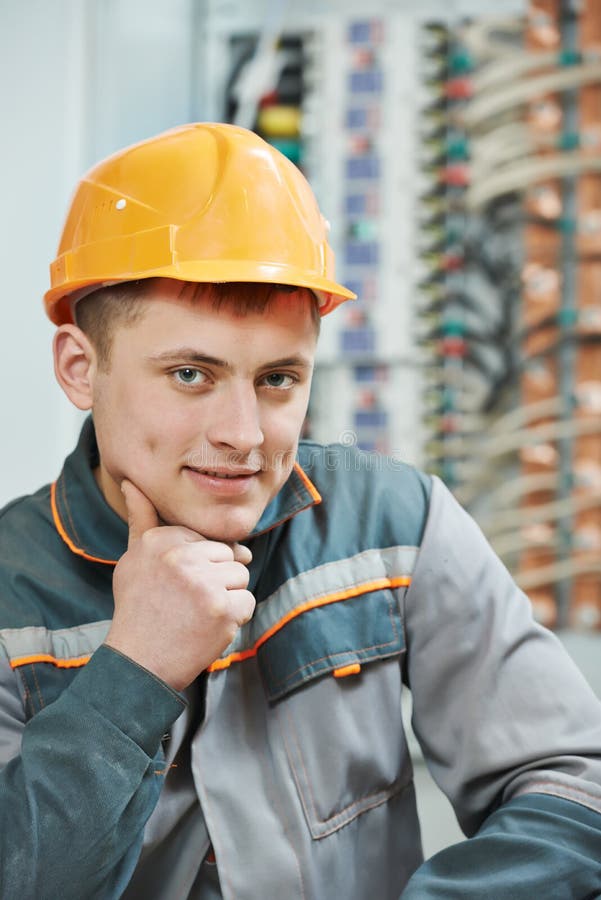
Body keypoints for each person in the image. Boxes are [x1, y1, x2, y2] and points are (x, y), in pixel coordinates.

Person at [0, 122, 600, 900]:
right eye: (190, 374)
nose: (243, 435)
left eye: (279, 379)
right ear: (81, 367)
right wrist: (136, 670)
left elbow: (572, 786)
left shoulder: (395, 522)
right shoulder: (10, 594)